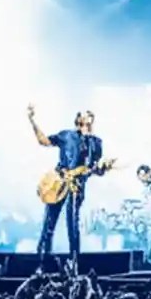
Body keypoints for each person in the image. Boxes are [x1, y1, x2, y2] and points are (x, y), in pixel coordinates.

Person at [28, 105, 107, 260]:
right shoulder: (66, 135)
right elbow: (44, 140)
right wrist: (32, 120)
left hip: (77, 185)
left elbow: (96, 169)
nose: (89, 119)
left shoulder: (96, 143)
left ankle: (74, 261)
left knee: (73, 223)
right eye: (86, 116)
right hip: (59, 181)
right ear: (79, 120)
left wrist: (101, 169)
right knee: (49, 222)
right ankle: (42, 258)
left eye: (91, 117)